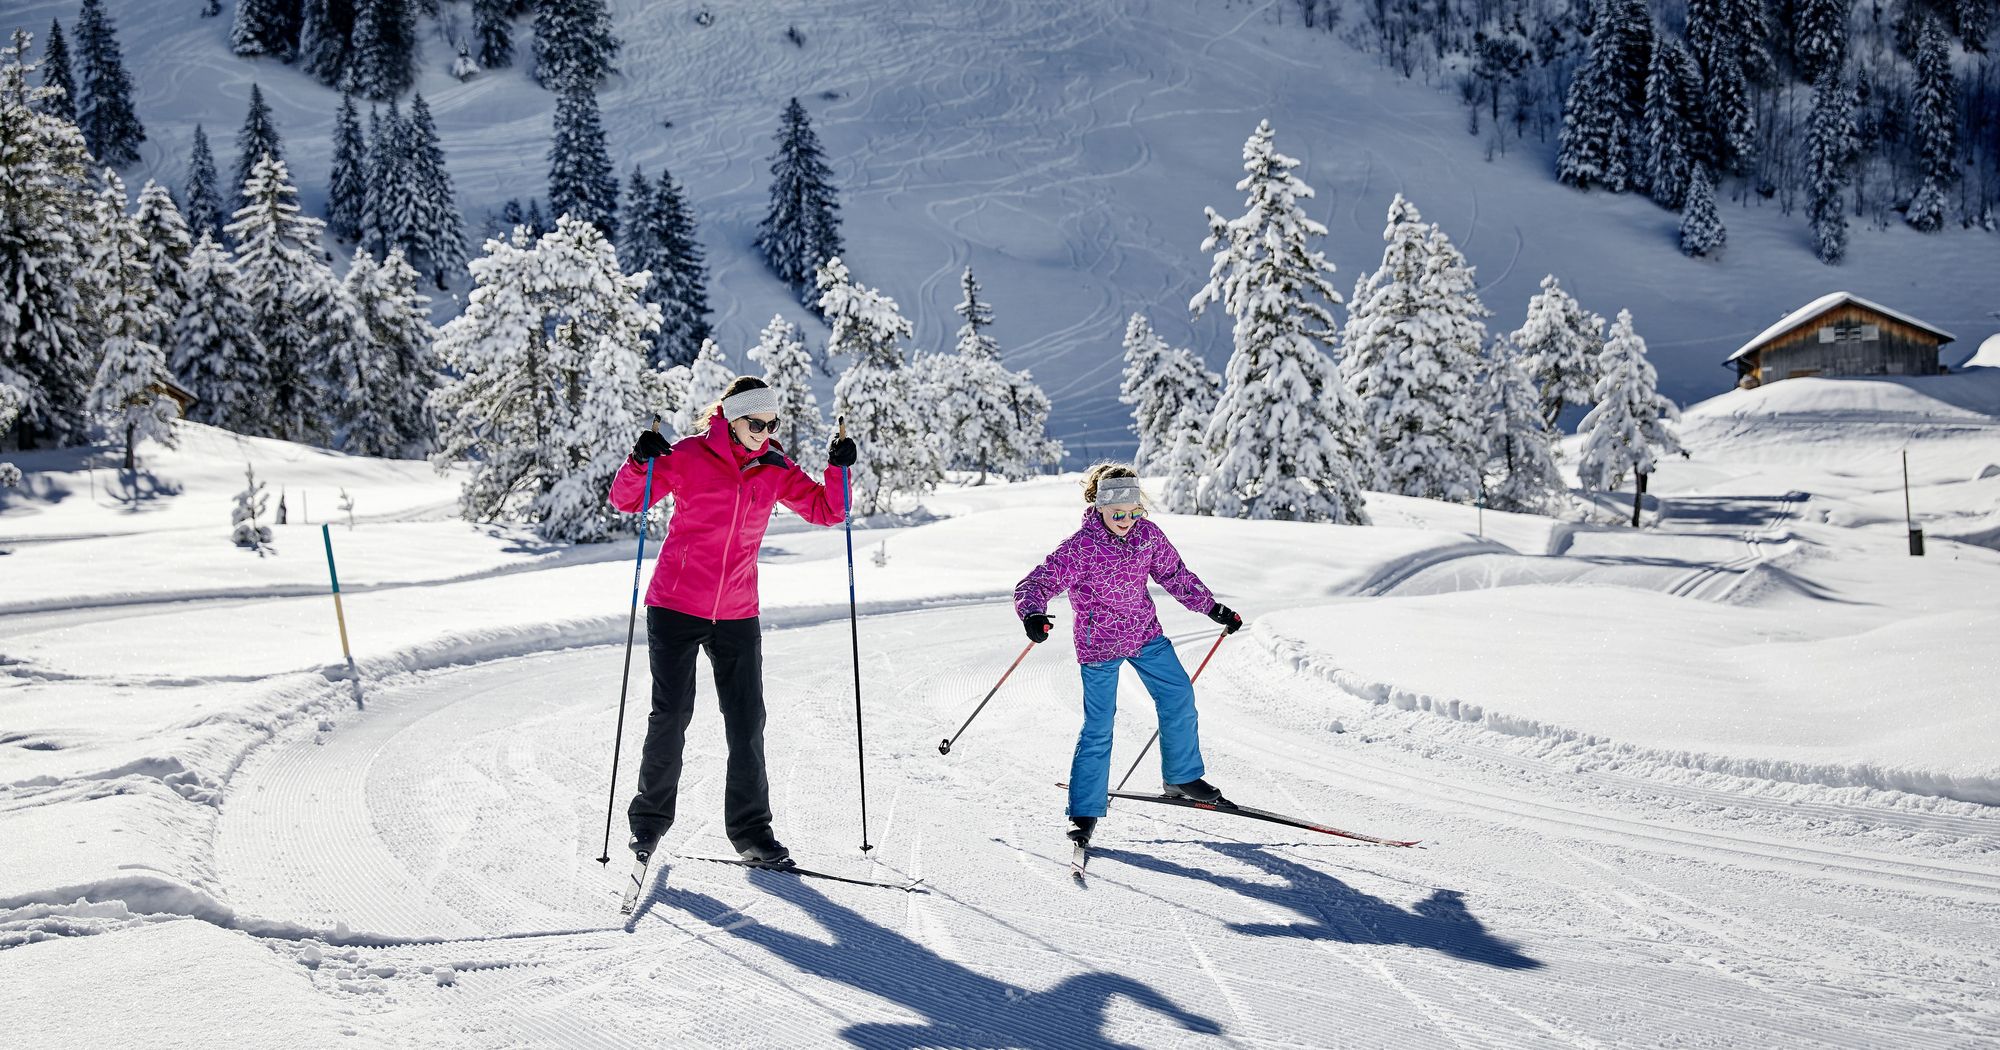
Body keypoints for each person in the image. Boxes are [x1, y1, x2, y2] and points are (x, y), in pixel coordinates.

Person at [608, 376, 859, 865]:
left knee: (747, 724)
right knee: (672, 715)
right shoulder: (688, 456)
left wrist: (838, 469)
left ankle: (751, 833)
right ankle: (648, 826)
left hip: (738, 611)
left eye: (772, 424)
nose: (765, 433)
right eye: (756, 423)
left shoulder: (775, 468)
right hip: (676, 604)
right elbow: (626, 500)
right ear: (731, 418)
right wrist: (640, 463)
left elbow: (830, 511)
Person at [1013, 464, 1243, 848]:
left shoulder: (1148, 536)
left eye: (1134, 512)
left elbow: (1176, 576)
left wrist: (1212, 608)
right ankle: (1084, 810)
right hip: (1099, 644)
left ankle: (1181, 776)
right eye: (1117, 513)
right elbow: (1035, 583)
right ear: (1099, 506)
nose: (1126, 521)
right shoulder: (1081, 547)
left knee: (1178, 696)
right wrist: (1032, 613)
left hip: (1144, 634)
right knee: (1099, 726)